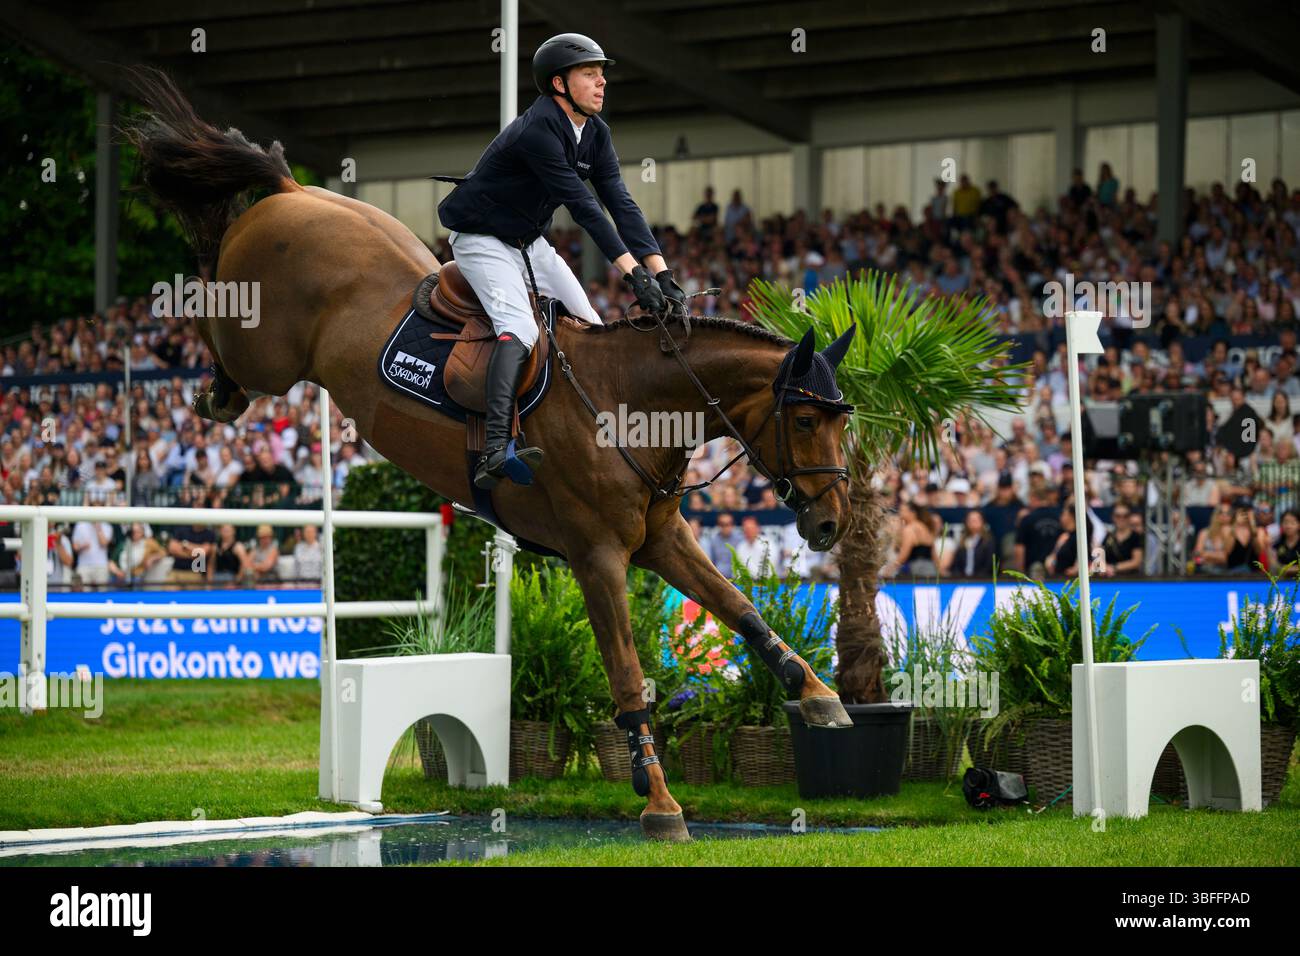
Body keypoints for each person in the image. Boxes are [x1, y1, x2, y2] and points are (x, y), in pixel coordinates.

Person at [436, 33, 682, 490]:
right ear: (559, 84)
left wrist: (662, 273)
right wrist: (633, 275)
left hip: (528, 240)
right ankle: (495, 448)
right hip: (481, 239)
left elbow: (620, 203)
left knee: (592, 328)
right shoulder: (537, 130)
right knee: (523, 329)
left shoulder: (596, 133)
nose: (602, 81)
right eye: (590, 73)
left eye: (602, 73)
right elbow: (583, 207)